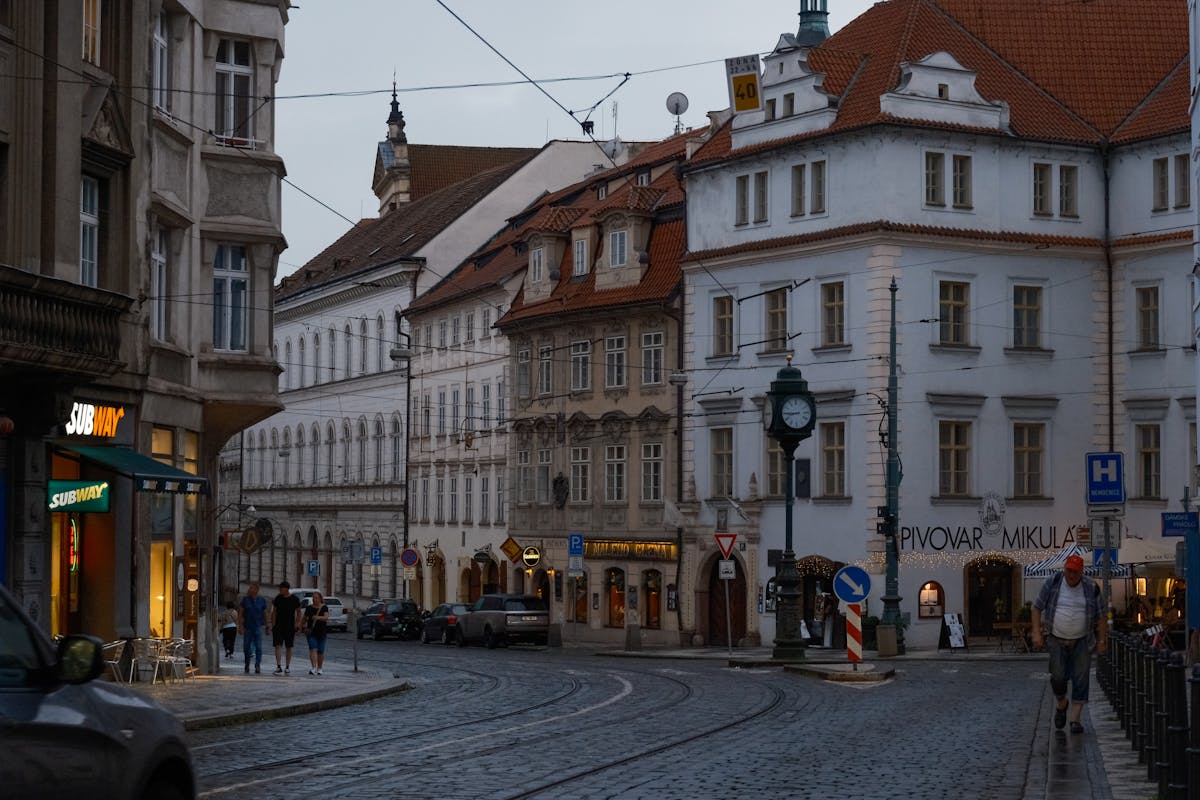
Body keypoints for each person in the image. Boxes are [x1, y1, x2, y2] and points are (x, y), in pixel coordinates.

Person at [1031, 553, 1107, 735]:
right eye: (1068, 570)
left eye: (1075, 571)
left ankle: (1075, 719)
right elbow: (1037, 607)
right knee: (1057, 677)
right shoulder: (1053, 582)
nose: (1071, 575)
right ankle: (1061, 703)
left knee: (1081, 678)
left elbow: (1102, 615)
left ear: (1081, 572)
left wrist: (1103, 639)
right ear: (1064, 569)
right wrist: (1036, 632)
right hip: (1056, 638)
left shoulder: (1091, 587)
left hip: (1082, 639)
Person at [269, 581, 303, 675]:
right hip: (278, 626)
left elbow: (299, 611)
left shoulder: (294, 599)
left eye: (281, 588)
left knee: (289, 646)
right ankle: (278, 666)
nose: (280, 590)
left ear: (286, 589)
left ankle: (287, 666)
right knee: (278, 645)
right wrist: (273, 624)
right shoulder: (278, 598)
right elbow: (274, 612)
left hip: (289, 626)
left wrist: (297, 624)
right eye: (279, 588)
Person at [237, 582, 267, 674]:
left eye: (251, 588)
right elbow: (240, 614)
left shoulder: (262, 600)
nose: (249, 590)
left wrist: (267, 625)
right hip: (247, 627)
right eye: (249, 588)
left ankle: (257, 665)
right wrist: (240, 626)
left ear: (256, 590)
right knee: (246, 647)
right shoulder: (245, 600)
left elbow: (265, 613)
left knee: (258, 647)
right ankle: (247, 664)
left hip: (258, 626)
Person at [303, 591, 331, 675]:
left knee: (321, 651)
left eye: (316, 598)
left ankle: (319, 668)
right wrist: (299, 627)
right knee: (313, 649)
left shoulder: (324, 607)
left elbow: (326, 617)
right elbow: (304, 618)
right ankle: (313, 667)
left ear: (320, 599)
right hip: (311, 632)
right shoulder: (309, 608)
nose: (314, 599)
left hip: (322, 632)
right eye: (313, 598)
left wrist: (317, 617)